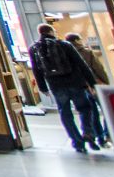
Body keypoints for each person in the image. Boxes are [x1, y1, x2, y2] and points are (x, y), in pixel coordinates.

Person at [29, 23, 99, 152]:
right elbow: (81, 64)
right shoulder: (65, 45)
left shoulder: (34, 48)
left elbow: (36, 70)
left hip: (56, 86)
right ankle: (88, 132)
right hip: (75, 83)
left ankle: (77, 142)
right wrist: (92, 83)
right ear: (51, 32)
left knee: (65, 113)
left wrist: (43, 87)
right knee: (85, 108)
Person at [66, 33, 112, 148]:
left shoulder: (65, 55)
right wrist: (106, 82)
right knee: (107, 110)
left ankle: (97, 137)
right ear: (77, 40)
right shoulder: (87, 52)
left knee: (92, 113)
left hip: (80, 87)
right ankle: (106, 135)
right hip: (94, 85)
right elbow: (98, 69)